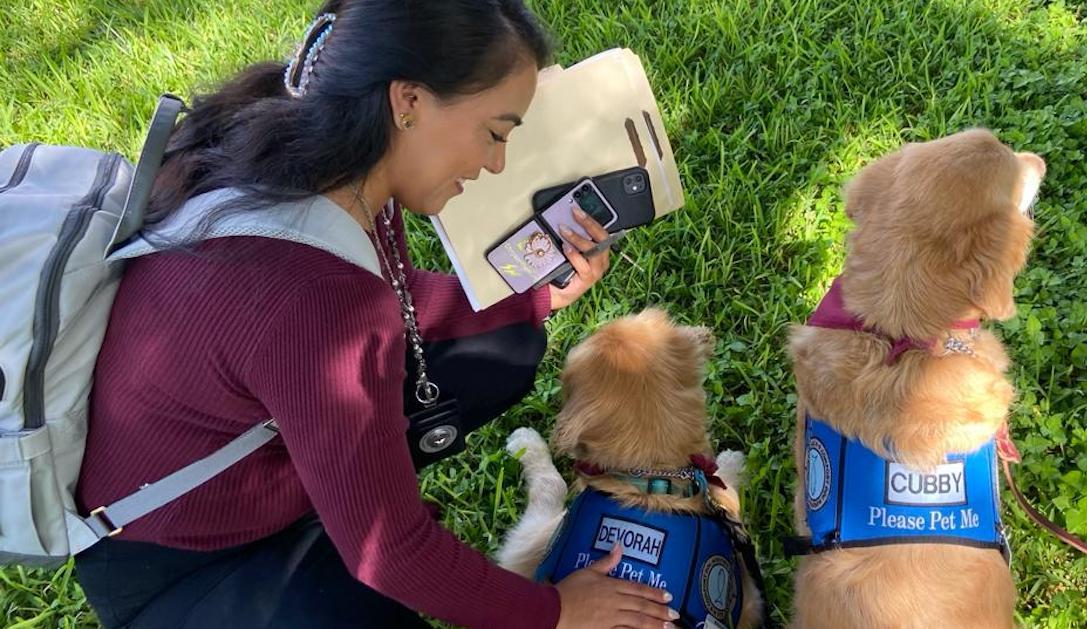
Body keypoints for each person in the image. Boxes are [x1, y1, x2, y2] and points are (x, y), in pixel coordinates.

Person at [72, 1, 676, 627]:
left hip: (251, 466)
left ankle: (338, 499)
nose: (494, 163)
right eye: (495, 133)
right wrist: (557, 611)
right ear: (408, 101)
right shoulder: (319, 302)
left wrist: (531, 297)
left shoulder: (318, 161)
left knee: (505, 346)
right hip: (184, 559)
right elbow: (389, 551)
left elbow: (397, 295)